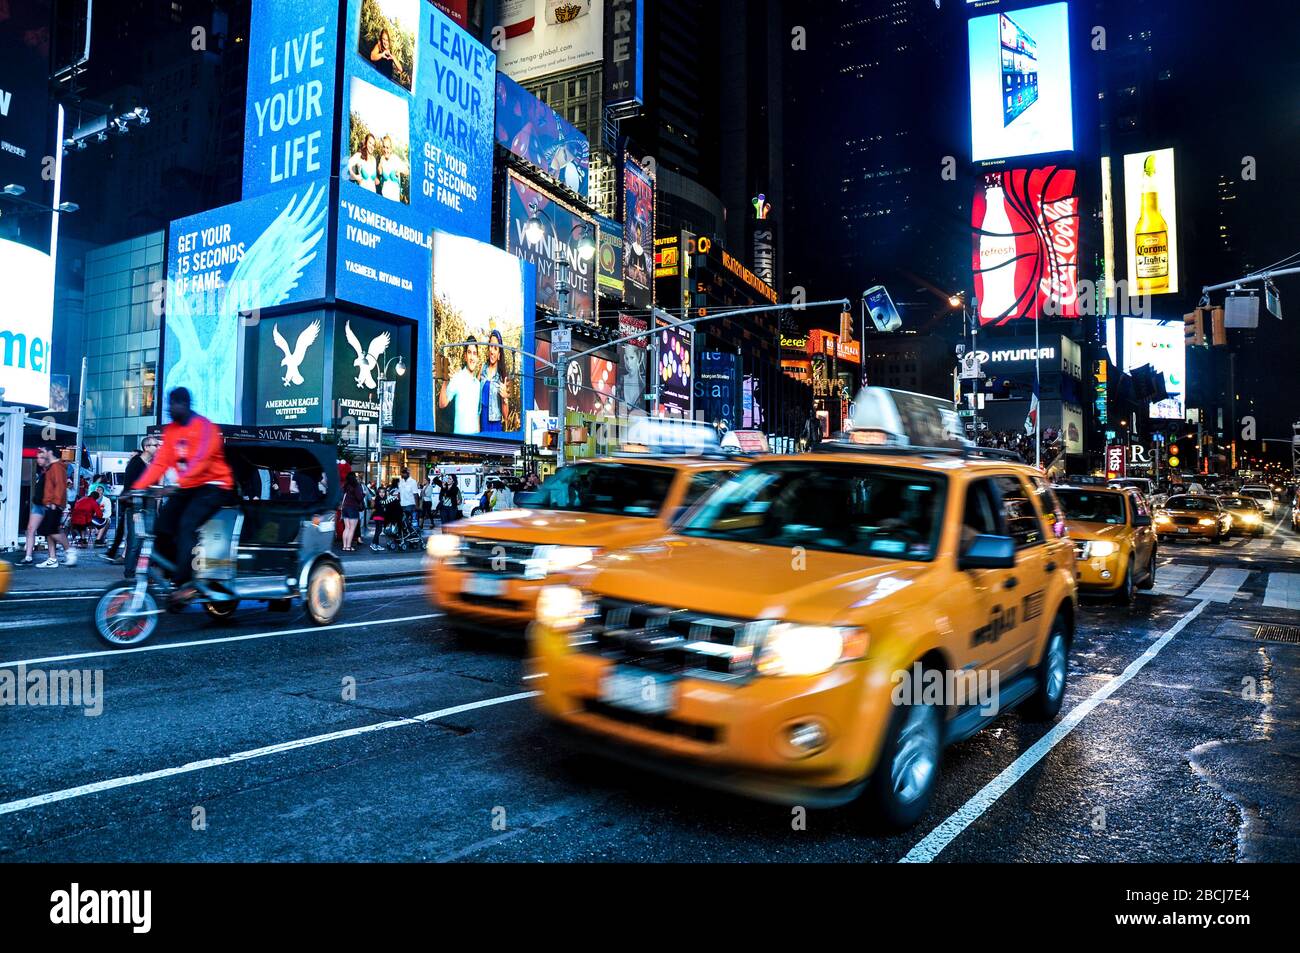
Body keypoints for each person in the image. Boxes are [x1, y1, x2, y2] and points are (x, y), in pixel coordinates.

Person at [131, 387, 236, 602]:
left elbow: (201, 461)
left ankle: (185, 584)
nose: (169, 409)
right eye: (169, 403)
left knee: (186, 524)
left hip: (215, 486)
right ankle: (175, 571)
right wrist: (136, 488)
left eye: (174, 404)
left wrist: (176, 485)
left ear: (185, 405)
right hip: (188, 487)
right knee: (162, 528)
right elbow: (160, 463)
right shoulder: (171, 431)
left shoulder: (206, 428)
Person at [103, 435, 161, 571]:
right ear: (146, 447)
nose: (158, 448)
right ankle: (129, 574)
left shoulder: (153, 465)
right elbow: (130, 488)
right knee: (134, 542)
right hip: (137, 507)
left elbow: (154, 488)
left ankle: (144, 572)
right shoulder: (135, 464)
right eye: (155, 445)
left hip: (150, 507)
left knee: (148, 543)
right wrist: (135, 510)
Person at [34, 448, 75, 568]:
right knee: (50, 531)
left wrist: (55, 502)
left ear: (50, 452)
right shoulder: (52, 466)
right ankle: (52, 558)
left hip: (54, 504)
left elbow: (60, 486)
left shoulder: (57, 467)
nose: (41, 454)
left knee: (52, 531)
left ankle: (70, 551)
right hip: (50, 504)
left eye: (43, 451)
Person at [438, 338, 481, 434]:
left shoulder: (478, 385)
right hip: (459, 443)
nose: (472, 357)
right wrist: (445, 382)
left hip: (474, 443)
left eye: (474, 353)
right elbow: (442, 404)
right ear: (465, 356)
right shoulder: (457, 378)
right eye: (469, 352)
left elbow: (477, 415)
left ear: (477, 358)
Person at [479, 329, 510, 434]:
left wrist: (505, 398)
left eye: (495, 348)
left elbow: (505, 417)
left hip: (494, 425)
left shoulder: (502, 377)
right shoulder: (482, 368)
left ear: (499, 353)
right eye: (491, 346)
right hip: (481, 421)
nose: (492, 351)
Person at [378, 134, 409, 203]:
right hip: (384, 197)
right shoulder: (382, 159)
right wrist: (379, 166)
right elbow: (380, 171)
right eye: (384, 147)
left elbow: (407, 171)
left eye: (387, 147)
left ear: (391, 148)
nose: (385, 150)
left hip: (394, 200)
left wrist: (400, 170)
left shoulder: (395, 159)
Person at [341, 471, 365, 552]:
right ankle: (348, 546)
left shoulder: (346, 485)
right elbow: (359, 498)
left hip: (345, 508)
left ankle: (344, 546)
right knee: (352, 529)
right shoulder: (356, 485)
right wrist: (363, 494)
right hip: (353, 508)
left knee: (346, 528)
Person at [397, 467, 420, 532]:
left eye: (404, 473)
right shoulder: (401, 482)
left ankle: (411, 533)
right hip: (402, 504)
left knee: (407, 520)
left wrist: (417, 506)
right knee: (403, 522)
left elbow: (415, 494)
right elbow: (399, 493)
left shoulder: (413, 482)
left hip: (410, 504)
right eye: (402, 473)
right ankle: (406, 534)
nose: (402, 475)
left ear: (408, 474)